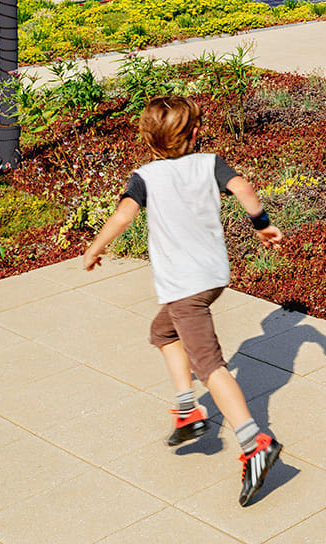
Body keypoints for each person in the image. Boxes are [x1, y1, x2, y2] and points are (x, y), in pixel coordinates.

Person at [81, 96, 287, 507]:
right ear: (194, 135)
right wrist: (262, 226)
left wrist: (95, 247)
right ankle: (186, 411)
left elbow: (123, 216)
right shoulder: (210, 163)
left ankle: (254, 441)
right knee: (162, 332)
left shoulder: (145, 177)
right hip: (212, 278)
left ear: (147, 140)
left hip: (183, 288)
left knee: (209, 366)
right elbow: (244, 189)